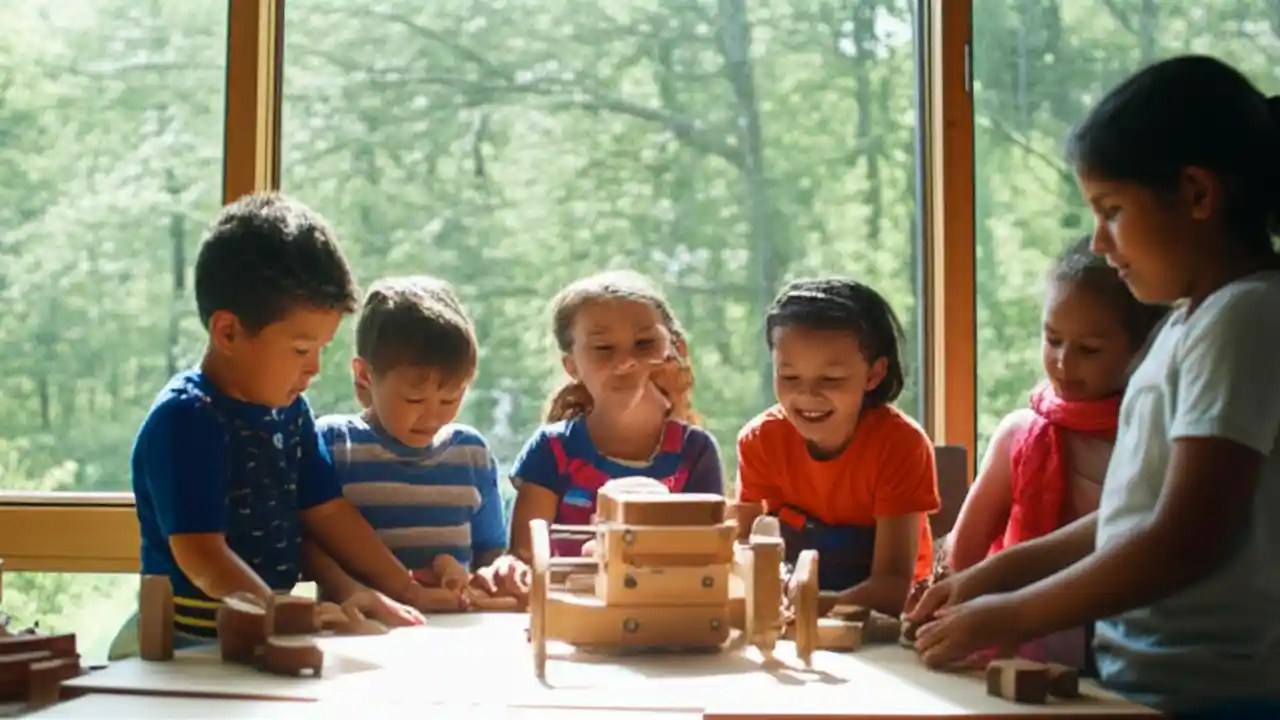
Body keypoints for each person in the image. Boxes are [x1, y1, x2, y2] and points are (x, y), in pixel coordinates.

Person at [910, 56, 1280, 717]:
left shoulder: (1245, 317)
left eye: (1112, 211)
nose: (1101, 244)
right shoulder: (1185, 324)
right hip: (1145, 677)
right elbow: (1135, 515)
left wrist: (1012, 614)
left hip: (1216, 692)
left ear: (1197, 194)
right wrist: (998, 572)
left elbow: (1183, 537)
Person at [123, 194, 434, 653]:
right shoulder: (186, 418)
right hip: (191, 645)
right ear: (228, 332)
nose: (315, 368)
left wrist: (404, 588)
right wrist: (282, 616)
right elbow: (201, 554)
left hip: (269, 634)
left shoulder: (291, 413)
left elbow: (329, 514)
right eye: (300, 350)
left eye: (321, 350)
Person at [944, 238, 1165, 667]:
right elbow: (963, 556)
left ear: (1141, 350)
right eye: (1053, 339)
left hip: (1123, 647)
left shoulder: (1147, 438)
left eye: (1089, 350)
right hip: (1012, 644)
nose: (1064, 362)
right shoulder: (1019, 434)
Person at [736, 278, 939, 616]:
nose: (807, 394)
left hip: (884, 628)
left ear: (874, 374)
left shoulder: (901, 445)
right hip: (790, 620)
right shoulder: (759, 442)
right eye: (789, 377)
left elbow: (892, 587)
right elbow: (745, 554)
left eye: (830, 379)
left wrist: (804, 607)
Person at [314, 276, 520, 608]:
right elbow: (312, 547)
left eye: (450, 398)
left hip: (457, 626)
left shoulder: (471, 453)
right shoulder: (335, 444)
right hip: (363, 628)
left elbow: (490, 551)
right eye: (414, 399)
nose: (433, 416)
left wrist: (495, 574)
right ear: (365, 376)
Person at [506, 270, 723, 563]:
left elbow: (709, 558)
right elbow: (526, 560)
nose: (625, 362)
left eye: (644, 344)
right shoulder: (551, 450)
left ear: (676, 349)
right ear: (572, 366)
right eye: (604, 348)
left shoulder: (695, 452)